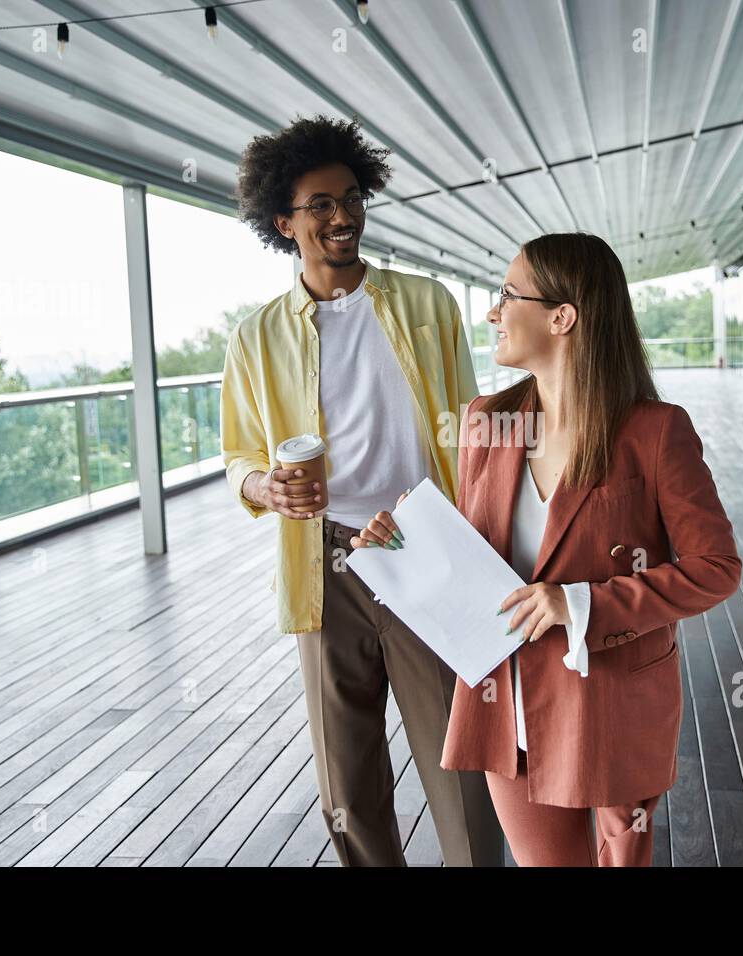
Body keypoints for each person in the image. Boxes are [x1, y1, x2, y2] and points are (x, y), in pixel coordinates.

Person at [352, 233, 742, 866]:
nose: (492, 311)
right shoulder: (485, 422)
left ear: (563, 317)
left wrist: (581, 603)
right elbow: (476, 553)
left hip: (612, 705)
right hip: (505, 705)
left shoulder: (654, 431)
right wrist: (400, 549)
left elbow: (716, 569)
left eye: (508, 295)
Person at [220, 114, 503, 866]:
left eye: (350, 198)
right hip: (324, 562)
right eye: (320, 205)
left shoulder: (426, 303)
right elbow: (237, 454)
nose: (342, 217)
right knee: (347, 776)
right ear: (284, 221)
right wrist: (264, 486)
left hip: (424, 544)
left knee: (461, 761)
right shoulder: (256, 337)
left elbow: (467, 425)